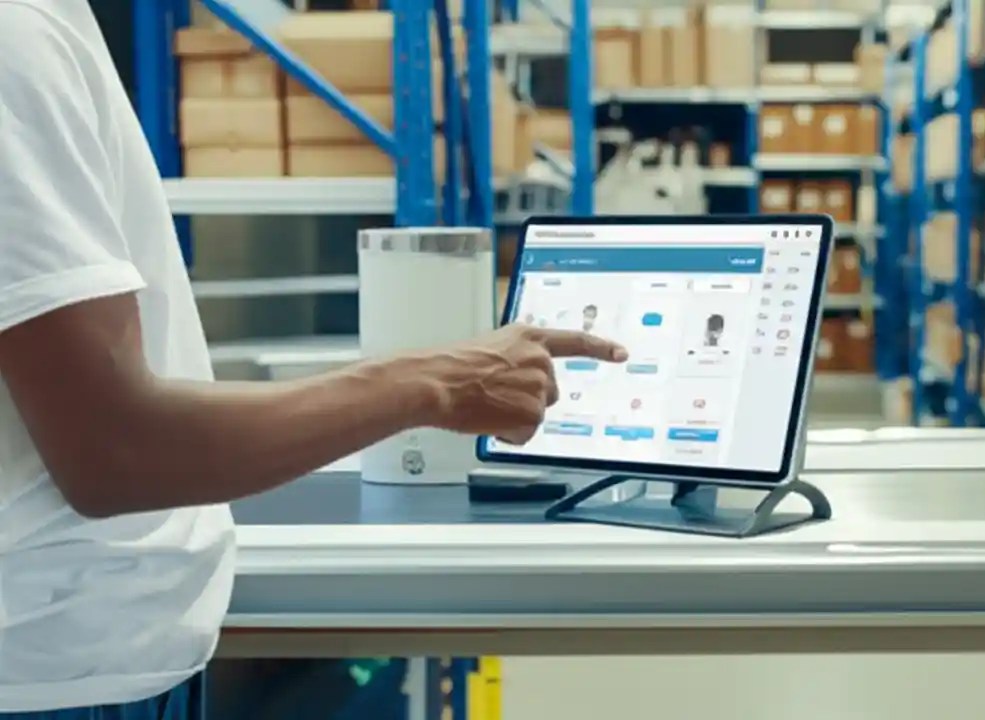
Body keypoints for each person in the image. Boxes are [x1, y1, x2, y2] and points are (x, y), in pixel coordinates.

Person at [0, 3, 627, 717]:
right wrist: (433, 383)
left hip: (76, 655)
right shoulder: (13, 40)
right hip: (55, 675)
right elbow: (113, 448)